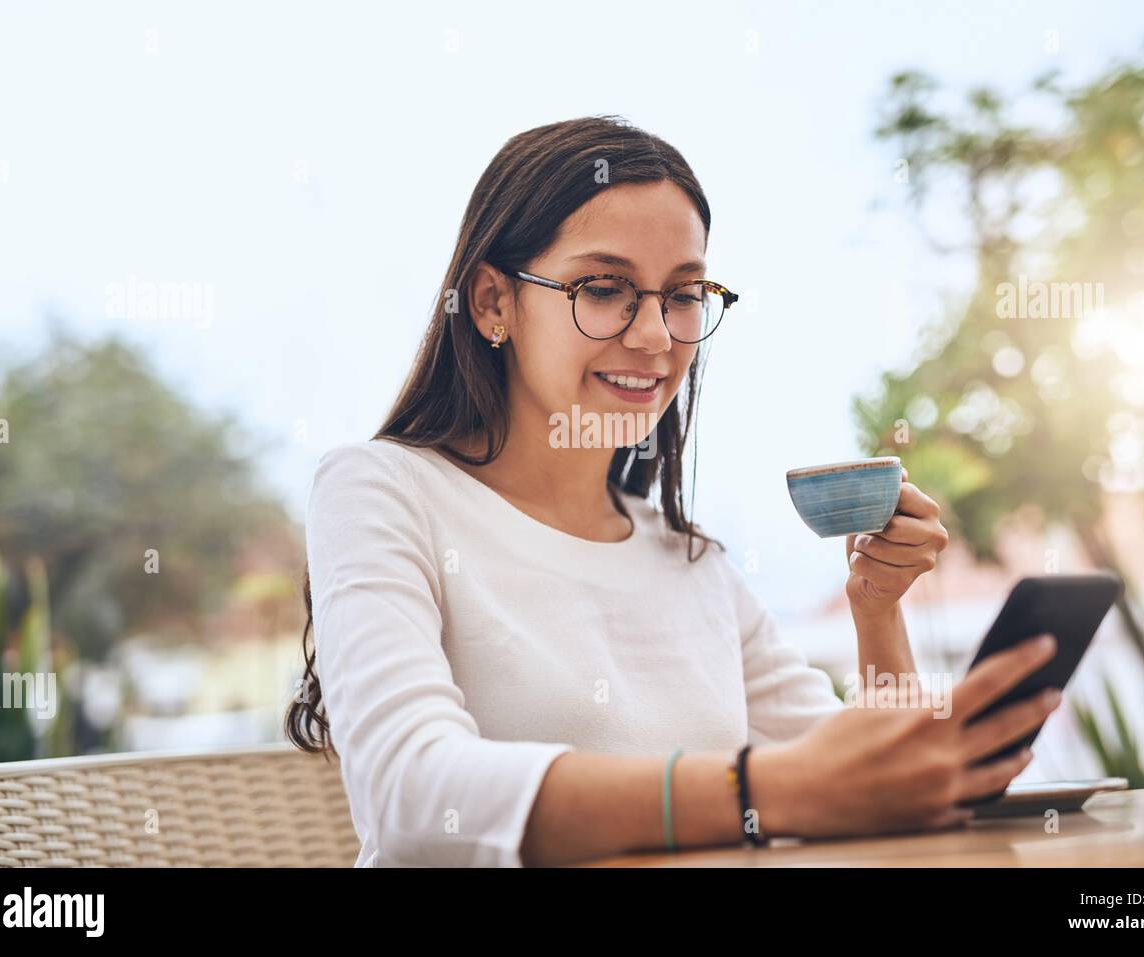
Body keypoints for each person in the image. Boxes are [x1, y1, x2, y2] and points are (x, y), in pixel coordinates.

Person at [286, 115, 1060, 867]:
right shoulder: (382, 491)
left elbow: (875, 784)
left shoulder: (689, 560)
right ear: (492, 302)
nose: (655, 335)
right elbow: (412, 796)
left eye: (682, 294)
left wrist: (877, 610)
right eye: (604, 288)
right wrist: (758, 789)